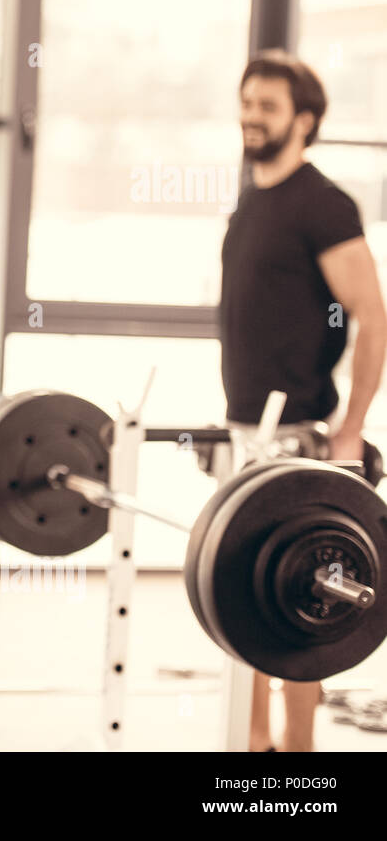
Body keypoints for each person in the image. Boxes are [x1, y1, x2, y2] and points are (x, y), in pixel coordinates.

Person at [221, 49, 387, 752]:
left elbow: (372, 315)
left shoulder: (323, 203)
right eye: (246, 101)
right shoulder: (255, 190)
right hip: (246, 426)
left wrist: (350, 429)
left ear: (305, 119)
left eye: (267, 105)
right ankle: (254, 749)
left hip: (302, 434)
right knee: (240, 594)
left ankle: (297, 764)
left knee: (291, 602)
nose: (250, 116)